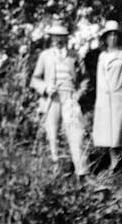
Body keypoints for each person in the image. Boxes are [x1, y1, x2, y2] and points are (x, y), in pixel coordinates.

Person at [30, 19, 87, 176]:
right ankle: (56, 171)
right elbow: (34, 79)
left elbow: (85, 79)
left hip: (70, 98)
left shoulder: (74, 56)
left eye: (61, 36)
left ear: (66, 38)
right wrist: (46, 88)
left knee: (76, 134)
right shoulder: (45, 56)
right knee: (52, 134)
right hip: (52, 99)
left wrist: (78, 94)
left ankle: (80, 172)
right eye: (55, 36)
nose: (58, 40)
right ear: (51, 38)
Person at [92, 20, 122, 173]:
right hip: (104, 100)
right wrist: (99, 100)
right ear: (105, 38)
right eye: (110, 35)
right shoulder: (102, 56)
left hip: (119, 99)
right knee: (109, 134)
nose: (113, 38)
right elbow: (99, 80)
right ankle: (114, 164)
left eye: (115, 34)